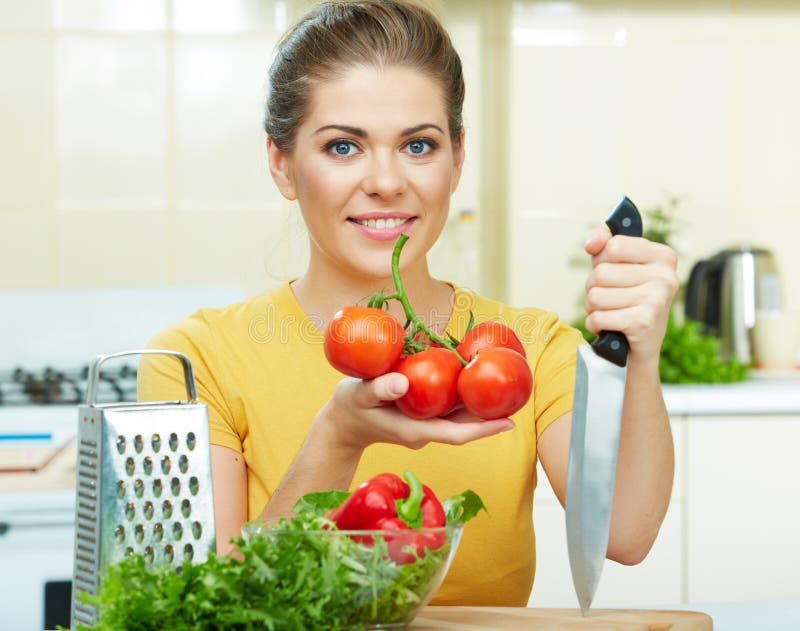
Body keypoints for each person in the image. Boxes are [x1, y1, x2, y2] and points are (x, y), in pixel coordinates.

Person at [138, 0, 678, 606]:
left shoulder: (527, 347)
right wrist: (338, 438)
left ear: (457, 158)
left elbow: (626, 534)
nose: (388, 181)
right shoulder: (194, 360)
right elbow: (210, 610)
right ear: (283, 166)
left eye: (418, 146)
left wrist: (643, 351)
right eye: (344, 147)